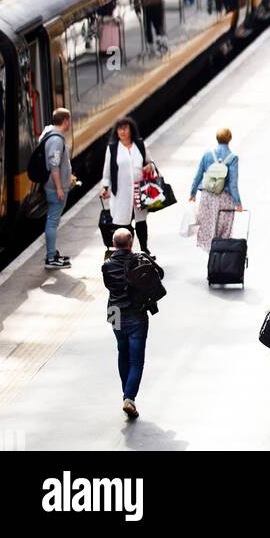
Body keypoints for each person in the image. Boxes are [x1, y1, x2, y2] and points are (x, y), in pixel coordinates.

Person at [102, 227, 164, 420]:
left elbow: (108, 286)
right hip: (136, 313)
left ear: (114, 244)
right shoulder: (139, 260)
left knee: (122, 352)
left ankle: (126, 396)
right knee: (136, 360)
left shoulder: (106, 265)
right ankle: (129, 397)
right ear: (131, 243)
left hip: (114, 312)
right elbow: (159, 276)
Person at [99, 116, 155, 251]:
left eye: (125, 128)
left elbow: (150, 162)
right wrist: (105, 188)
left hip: (140, 191)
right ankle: (125, 251)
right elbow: (107, 170)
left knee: (141, 222)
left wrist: (149, 166)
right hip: (121, 192)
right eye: (120, 129)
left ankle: (144, 249)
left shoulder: (140, 145)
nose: (122, 131)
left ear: (131, 130)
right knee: (124, 224)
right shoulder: (112, 149)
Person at [188, 126, 243, 254]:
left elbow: (198, 174)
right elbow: (233, 184)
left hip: (208, 197)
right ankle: (220, 260)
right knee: (223, 233)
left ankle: (211, 259)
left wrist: (193, 193)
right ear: (229, 139)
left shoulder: (208, 154)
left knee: (209, 231)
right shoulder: (233, 158)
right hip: (224, 199)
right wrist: (238, 203)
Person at [39, 107, 78, 270]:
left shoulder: (50, 135)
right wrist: (60, 188)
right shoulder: (56, 140)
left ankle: (52, 253)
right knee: (52, 221)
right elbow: (54, 166)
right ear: (66, 121)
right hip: (55, 188)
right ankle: (50, 258)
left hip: (56, 185)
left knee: (53, 221)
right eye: (69, 121)